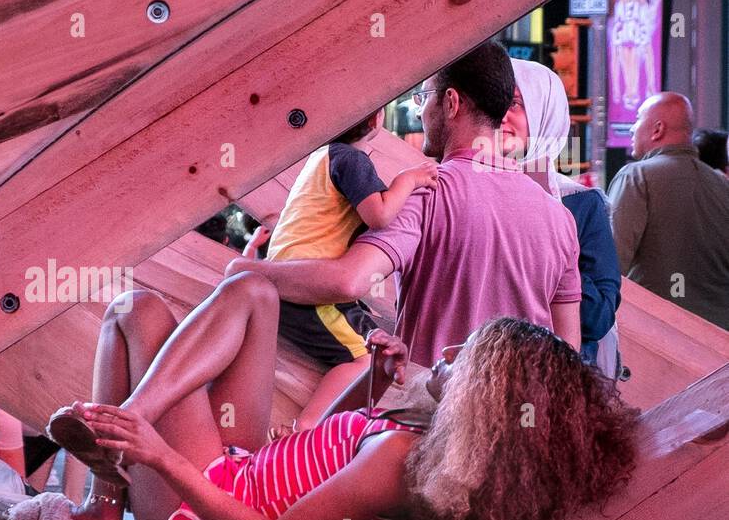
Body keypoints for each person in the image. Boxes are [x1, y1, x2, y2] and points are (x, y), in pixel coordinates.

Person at [8, 274, 637, 520]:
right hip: (238, 473)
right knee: (254, 291)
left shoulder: (402, 461)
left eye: (465, 358)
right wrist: (372, 384)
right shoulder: (418, 444)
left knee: (137, 311)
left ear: (488, 399)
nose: (446, 355)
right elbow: (320, 456)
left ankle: (107, 488)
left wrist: (159, 456)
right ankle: (125, 430)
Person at [225, 41, 583, 364]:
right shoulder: (558, 216)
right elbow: (568, 349)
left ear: (451, 103)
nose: (419, 113)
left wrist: (248, 272)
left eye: (423, 97)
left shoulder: (427, 190)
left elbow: (349, 281)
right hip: (522, 421)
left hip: (434, 420)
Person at [257, 111, 437, 424]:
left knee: (373, 339)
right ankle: (306, 431)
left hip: (290, 276)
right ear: (378, 118)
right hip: (311, 289)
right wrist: (407, 180)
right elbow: (378, 215)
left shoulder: (322, 157)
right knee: (367, 359)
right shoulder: (352, 160)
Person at [501, 58, 622, 375]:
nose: (500, 115)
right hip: (485, 382)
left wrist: (546, 223)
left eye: (514, 103)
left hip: (560, 387)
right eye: (493, 101)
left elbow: (596, 318)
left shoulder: (580, 204)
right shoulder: (471, 193)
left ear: (545, 112)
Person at [608, 93, 729, 331]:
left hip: (659, 335)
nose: (632, 129)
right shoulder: (722, 185)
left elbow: (610, 267)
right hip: (721, 343)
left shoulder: (637, 177)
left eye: (638, 119)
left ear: (657, 129)